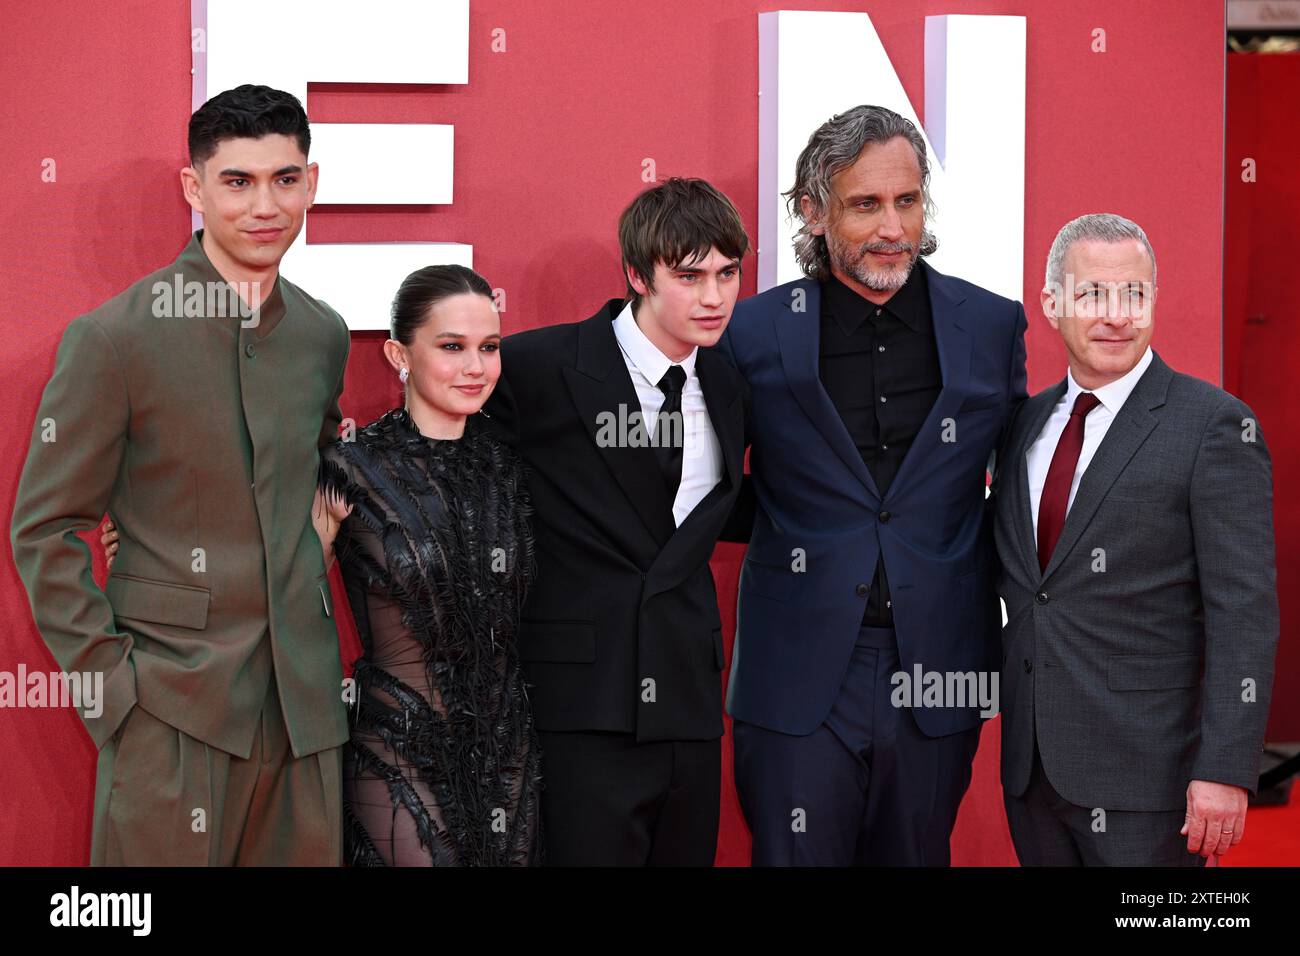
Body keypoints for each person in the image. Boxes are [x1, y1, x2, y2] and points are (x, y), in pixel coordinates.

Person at [11, 84, 349, 865]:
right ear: (194, 189)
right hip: (169, 712)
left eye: (285, 179)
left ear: (312, 183)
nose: (266, 205)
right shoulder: (114, 338)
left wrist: (313, 556)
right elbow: (45, 528)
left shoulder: (322, 335)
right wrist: (115, 698)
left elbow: (320, 468)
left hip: (306, 720)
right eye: (237, 181)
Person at [718, 104, 1028, 865]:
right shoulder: (752, 331)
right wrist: (801, 530)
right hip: (796, 666)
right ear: (813, 212)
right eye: (866, 204)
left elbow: (1019, 484)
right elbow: (714, 486)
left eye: (908, 199)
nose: (894, 226)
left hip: (942, 664)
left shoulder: (991, 325)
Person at [993, 213, 1278, 866]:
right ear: (1053, 303)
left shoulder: (1213, 427)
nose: (1117, 315)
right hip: (1033, 773)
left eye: (1136, 294)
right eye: (1094, 293)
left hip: (1153, 784)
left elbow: (1245, 613)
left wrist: (1227, 768)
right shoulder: (1026, 423)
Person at [481, 177, 751, 865]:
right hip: (582, 702)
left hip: (688, 700)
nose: (715, 296)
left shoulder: (728, 383)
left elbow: (716, 513)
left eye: (727, 273)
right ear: (638, 274)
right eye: (690, 276)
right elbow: (465, 487)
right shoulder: (539, 367)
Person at [311, 265, 540, 866]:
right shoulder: (350, 467)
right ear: (397, 354)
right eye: (451, 347)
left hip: (509, 756)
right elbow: (273, 577)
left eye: (489, 348)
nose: (475, 367)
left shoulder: (512, 465)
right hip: (398, 752)